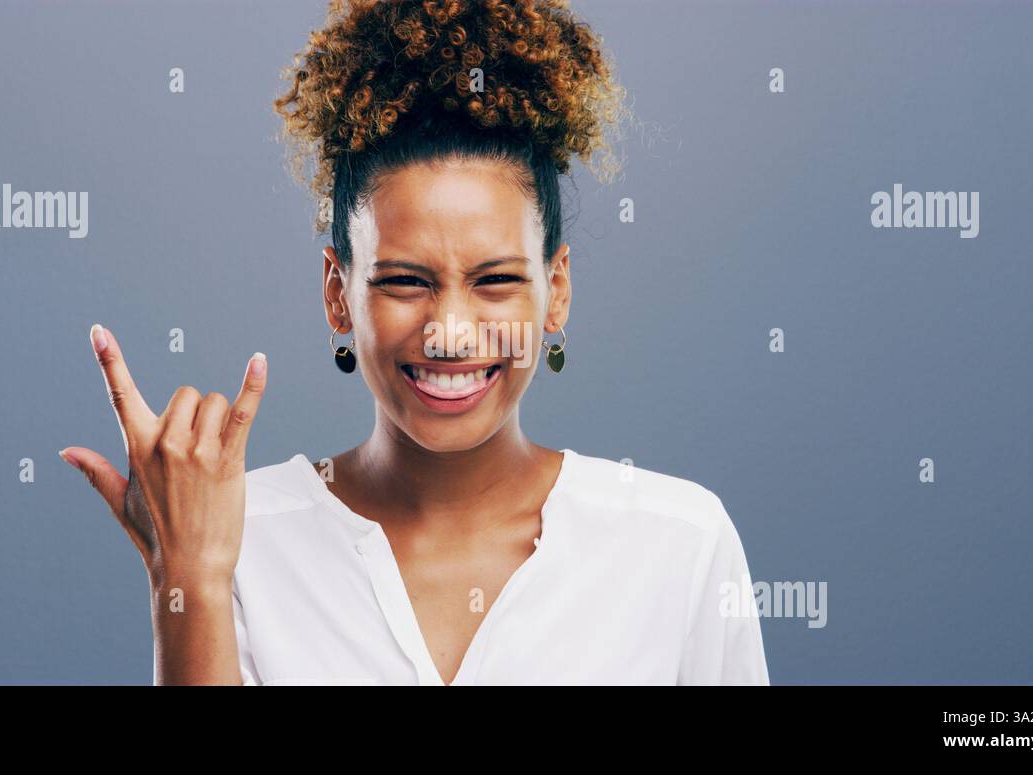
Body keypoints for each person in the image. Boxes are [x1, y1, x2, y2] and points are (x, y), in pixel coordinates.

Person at [60, 0, 769, 686]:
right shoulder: (234, 535)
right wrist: (188, 576)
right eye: (404, 280)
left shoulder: (680, 544)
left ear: (557, 289)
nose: (451, 332)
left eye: (495, 279)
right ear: (339, 291)